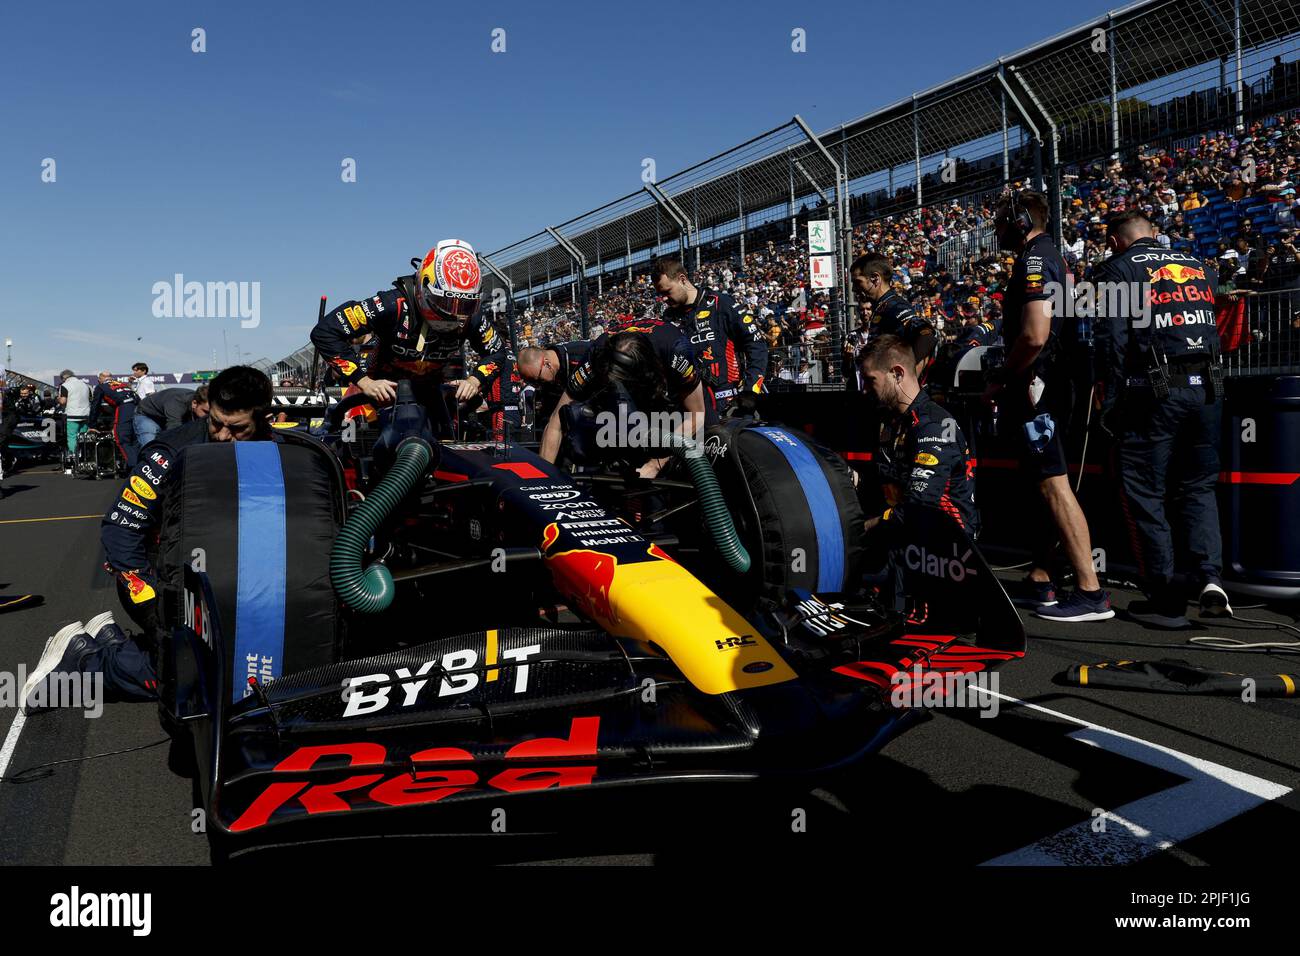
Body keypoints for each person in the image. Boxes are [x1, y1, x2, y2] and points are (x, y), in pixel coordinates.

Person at [22, 367, 278, 710]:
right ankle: (79, 664)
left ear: (264, 418)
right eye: (216, 423)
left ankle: (109, 640)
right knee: (181, 680)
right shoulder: (171, 451)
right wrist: (152, 596)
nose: (221, 436)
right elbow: (120, 528)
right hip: (160, 578)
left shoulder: (280, 450)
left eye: (237, 429)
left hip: (230, 577)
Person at [1092, 209, 1230, 626]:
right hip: (1209, 389)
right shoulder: (1198, 265)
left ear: (1116, 240)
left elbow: (1112, 341)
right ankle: (1210, 578)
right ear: (1154, 233)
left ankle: (1164, 594)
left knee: (1144, 491)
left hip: (1154, 394)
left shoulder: (1116, 270)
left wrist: (1110, 402)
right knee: (1198, 487)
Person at [981, 188, 1113, 622]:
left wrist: (1003, 377)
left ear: (1021, 222)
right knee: (1044, 484)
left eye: (1002, 220)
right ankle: (1042, 577)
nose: (997, 228)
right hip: (1055, 384)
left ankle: (1090, 592)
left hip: (1042, 386)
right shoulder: (1047, 255)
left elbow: (1036, 334)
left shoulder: (1035, 258)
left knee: (1055, 484)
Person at [309, 239, 513, 431]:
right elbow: (325, 331)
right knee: (354, 443)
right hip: (378, 393)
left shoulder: (472, 316)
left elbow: (497, 352)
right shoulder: (392, 304)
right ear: (424, 287)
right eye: (447, 302)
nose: (455, 312)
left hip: (429, 395)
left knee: (445, 445)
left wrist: (474, 381)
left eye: (465, 303)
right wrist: (365, 382)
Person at [859, 335, 977, 607]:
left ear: (896, 373)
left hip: (942, 551)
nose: (865, 389)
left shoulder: (934, 426)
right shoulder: (892, 421)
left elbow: (920, 507)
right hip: (904, 539)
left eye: (870, 380)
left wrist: (867, 526)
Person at [538, 320, 706, 479]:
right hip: (630, 416)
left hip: (674, 406)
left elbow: (697, 415)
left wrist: (655, 464)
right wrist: (542, 481)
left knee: (702, 454)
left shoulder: (675, 350)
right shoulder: (595, 353)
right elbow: (556, 421)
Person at [653, 258, 767, 417]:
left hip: (729, 404)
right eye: (660, 294)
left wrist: (751, 390)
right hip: (689, 407)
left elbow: (756, 345)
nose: (663, 299)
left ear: (682, 279)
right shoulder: (668, 318)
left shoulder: (721, 304)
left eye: (666, 291)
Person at [850, 254, 937, 378]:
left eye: (858, 282)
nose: (854, 289)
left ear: (875, 279)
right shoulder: (881, 307)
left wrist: (906, 379)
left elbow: (927, 336)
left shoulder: (894, 305)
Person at [516, 340, 593, 429]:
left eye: (537, 380)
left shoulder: (581, 355)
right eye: (531, 382)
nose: (536, 385)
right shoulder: (549, 378)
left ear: (546, 363)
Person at [89, 371, 140, 469]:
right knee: (135, 438)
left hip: (124, 408)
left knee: (121, 438)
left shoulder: (100, 387)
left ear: (100, 379)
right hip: (137, 407)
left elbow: (95, 406)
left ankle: (133, 467)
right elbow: (136, 397)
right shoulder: (122, 384)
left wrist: (92, 425)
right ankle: (140, 463)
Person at [135, 385, 209, 447]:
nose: (208, 415)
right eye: (206, 412)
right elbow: (173, 431)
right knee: (150, 447)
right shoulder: (177, 403)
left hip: (168, 416)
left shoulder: (201, 403)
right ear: (194, 403)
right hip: (148, 415)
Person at [57, 370, 93, 469]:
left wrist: (58, 399)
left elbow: (63, 401)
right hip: (85, 414)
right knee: (83, 437)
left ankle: (74, 457)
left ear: (64, 378)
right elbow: (91, 399)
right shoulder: (86, 385)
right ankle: (85, 457)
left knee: (72, 436)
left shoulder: (65, 385)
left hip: (72, 415)